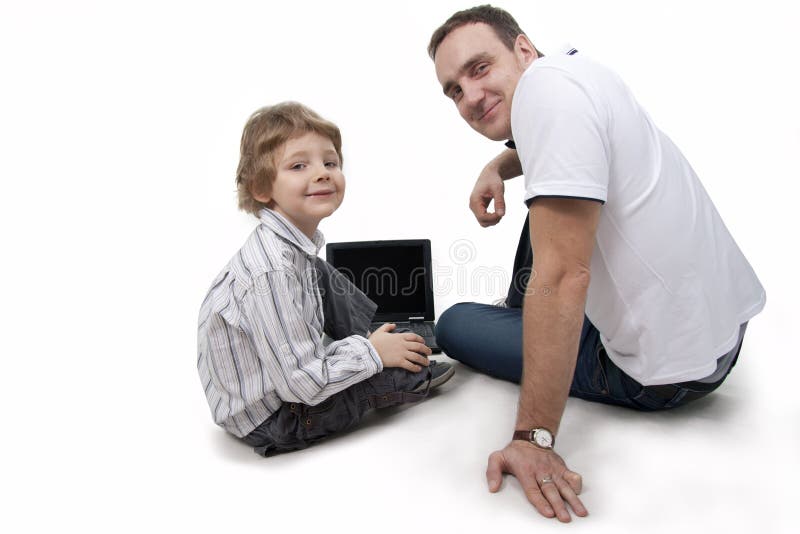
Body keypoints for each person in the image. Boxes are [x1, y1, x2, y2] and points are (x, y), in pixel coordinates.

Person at [428, 5, 765, 522]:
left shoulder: (545, 98)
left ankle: (527, 321)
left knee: (454, 323)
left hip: (664, 374)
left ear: (522, 49)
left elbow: (565, 278)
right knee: (555, 194)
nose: (470, 97)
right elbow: (560, 145)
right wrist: (498, 163)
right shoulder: (574, 70)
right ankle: (529, 316)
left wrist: (532, 439)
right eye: (454, 90)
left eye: (479, 69)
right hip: (718, 331)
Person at [197, 102, 454, 456]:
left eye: (330, 162)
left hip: (275, 382)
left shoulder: (292, 251)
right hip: (275, 418)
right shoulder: (272, 272)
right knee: (400, 373)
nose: (322, 173)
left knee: (320, 272)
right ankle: (387, 356)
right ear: (260, 188)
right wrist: (373, 355)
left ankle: (371, 339)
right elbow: (303, 386)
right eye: (299, 165)